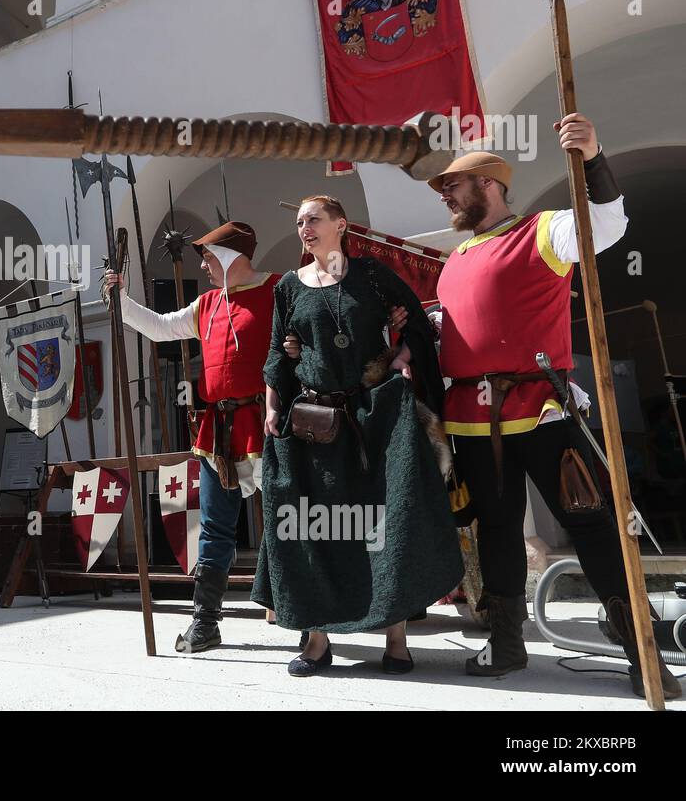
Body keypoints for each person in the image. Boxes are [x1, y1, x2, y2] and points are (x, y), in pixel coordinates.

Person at [403, 113, 681, 698]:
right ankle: (505, 645)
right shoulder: (454, 261)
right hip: (473, 420)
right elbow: (460, 330)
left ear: (490, 185)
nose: (446, 196)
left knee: (594, 525)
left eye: (453, 185)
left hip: (546, 408)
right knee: (497, 531)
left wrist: (595, 157)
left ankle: (641, 650)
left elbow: (606, 229)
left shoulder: (544, 230)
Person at [253, 195, 463, 676]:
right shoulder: (288, 286)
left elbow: (418, 327)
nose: (304, 227)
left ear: (340, 225)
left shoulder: (371, 275)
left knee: (387, 523)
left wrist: (400, 361)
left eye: (314, 219)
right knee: (314, 525)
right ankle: (317, 641)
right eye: (299, 221)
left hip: (374, 416)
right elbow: (275, 354)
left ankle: (396, 641)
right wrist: (270, 406)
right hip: (314, 420)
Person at [105, 221, 281, 653]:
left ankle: (301, 616)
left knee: (286, 520)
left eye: (207, 257)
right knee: (216, 527)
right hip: (218, 430)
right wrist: (122, 299)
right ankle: (206, 622)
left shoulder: (281, 290)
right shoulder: (205, 305)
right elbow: (161, 326)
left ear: (228, 256)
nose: (203, 266)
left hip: (270, 424)